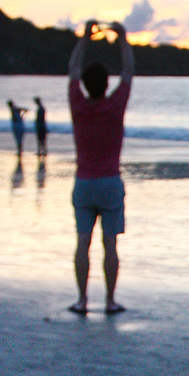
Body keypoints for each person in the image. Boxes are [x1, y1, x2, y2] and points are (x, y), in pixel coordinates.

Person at [67, 19, 133, 315]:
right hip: (109, 182)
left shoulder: (78, 104)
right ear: (106, 83)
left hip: (83, 182)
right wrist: (123, 39)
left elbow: (72, 70)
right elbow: (129, 72)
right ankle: (109, 301)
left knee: (83, 242)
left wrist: (83, 39)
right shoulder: (114, 104)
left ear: (85, 83)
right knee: (110, 245)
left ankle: (82, 300)